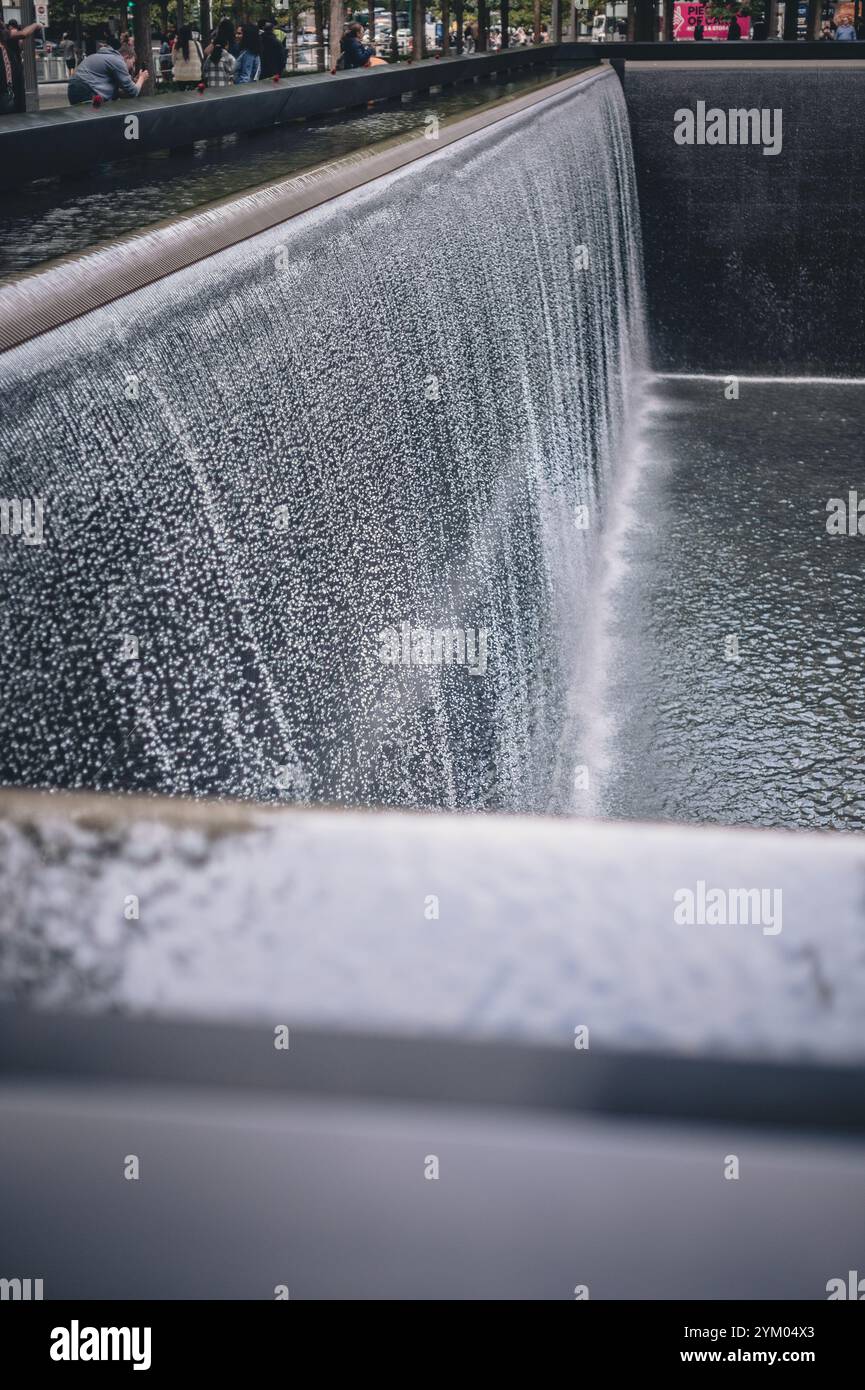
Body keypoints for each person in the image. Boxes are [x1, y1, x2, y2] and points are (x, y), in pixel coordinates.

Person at [67, 36, 148, 104]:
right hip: (87, 90)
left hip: (74, 89)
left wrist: (134, 81)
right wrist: (141, 78)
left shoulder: (101, 57)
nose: (132, 67)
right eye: (132, 63)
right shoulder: (118, 61)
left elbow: (118, 93)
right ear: (126, 57)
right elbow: (133, 92)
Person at [3, 18, 42, 113]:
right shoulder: (8, 33)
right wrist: (35, 25)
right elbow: (23, 35)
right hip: (13, 68)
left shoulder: (6, 33)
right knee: (17, 96)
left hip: (10, 68)